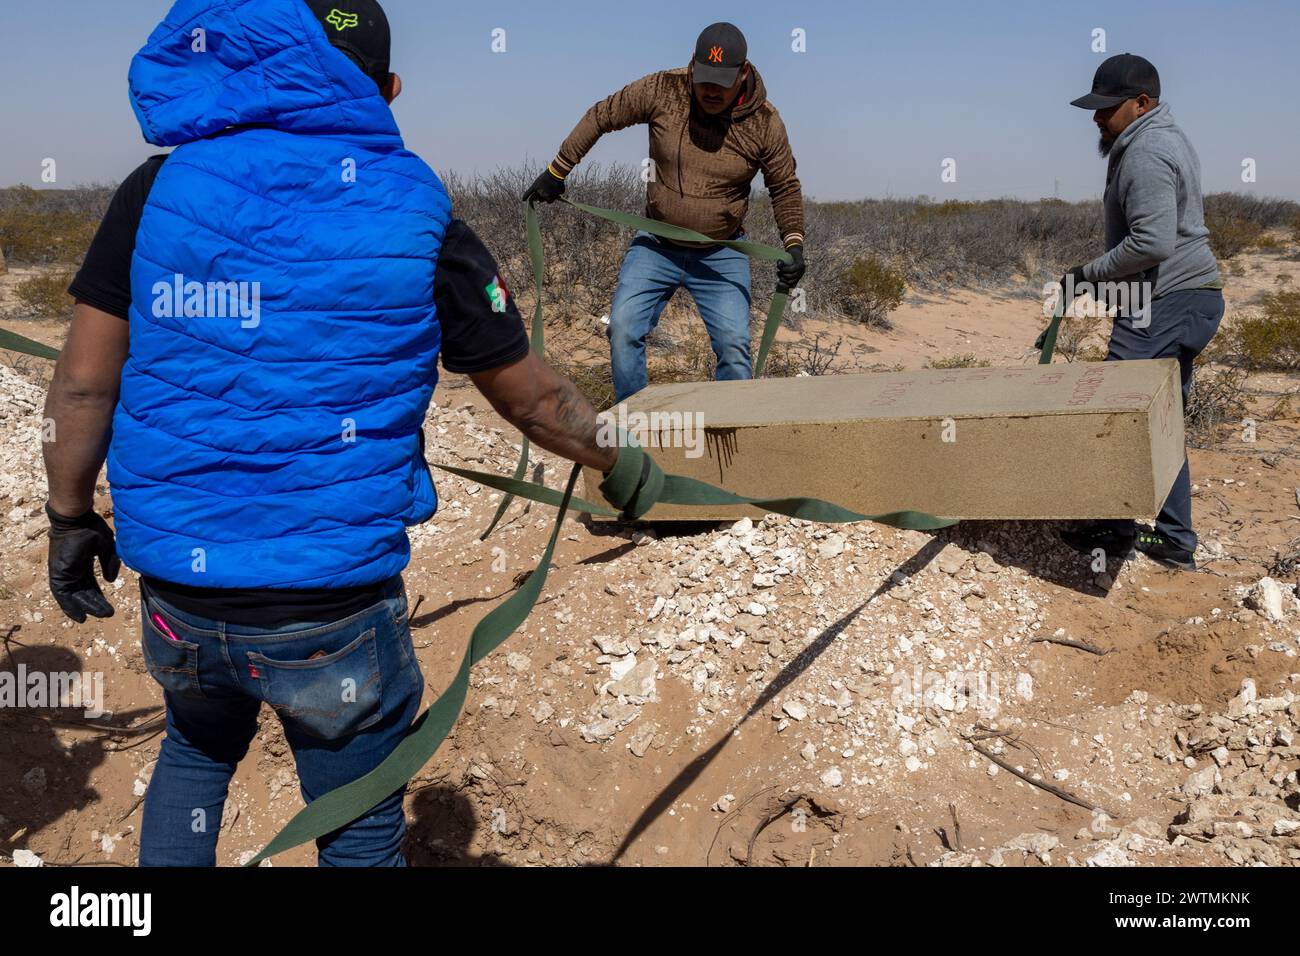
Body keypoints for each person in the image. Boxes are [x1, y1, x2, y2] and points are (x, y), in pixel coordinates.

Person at [41, 0, 655, 866]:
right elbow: (531, 399)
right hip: (331, 607)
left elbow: (81, 382)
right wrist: (625, 464)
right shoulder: (417, 205)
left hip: (182, 598)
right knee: (360, 826)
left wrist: (69, 517)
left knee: (195, 752)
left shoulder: (158, 188)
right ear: (389, 89)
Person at [523, 22, 807, 402]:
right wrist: (557, 172)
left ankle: (733, 442)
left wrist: (794, 244)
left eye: (721, 82)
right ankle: (637, 432)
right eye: (703, 78)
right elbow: (601, 115)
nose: (710, 90)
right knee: (623, 329)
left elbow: (784, 185)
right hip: (656, 244)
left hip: (722, 253)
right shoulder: (663, 90)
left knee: (735, 349)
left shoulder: (765, 123)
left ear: (742, 74)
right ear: (692, 66)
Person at [1057, 53, 1223, 572]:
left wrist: (1087, 274)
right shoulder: (1157, 139)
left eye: (1107, 108)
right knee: (1160, 419)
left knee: (1121, 413)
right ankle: (1174, 540)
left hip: (1164, 301)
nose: (1096, 117)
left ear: (1141, 103)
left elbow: (1151, 243)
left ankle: (1117, 529)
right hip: (1190, 297)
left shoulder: (1148, 151)